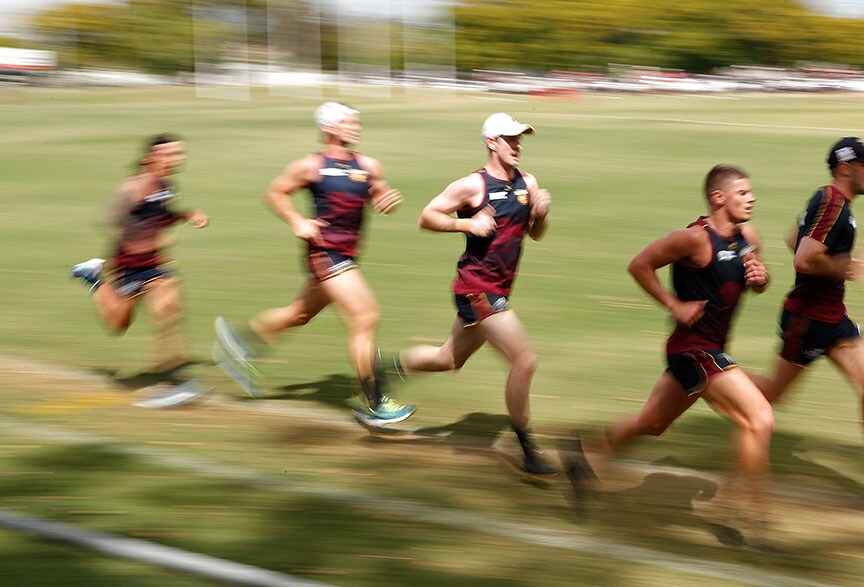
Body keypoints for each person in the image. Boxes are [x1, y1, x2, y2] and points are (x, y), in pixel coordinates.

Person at [563, 165, 774, 525]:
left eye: (751, 192)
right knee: (759, 419)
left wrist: (762, 279)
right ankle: (748, 515)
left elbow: (754, 273)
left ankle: (583, 456)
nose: (751, 198)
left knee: (653, 423)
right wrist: (673, 303)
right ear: (718, 198)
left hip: (707, 349)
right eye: (743, 193)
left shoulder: (747, 236)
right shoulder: (693, 239)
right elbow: (640, 264)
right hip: (694, 350)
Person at [750, 137, 864, 511]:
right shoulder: (832, 202)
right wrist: (843, 267)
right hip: (807, 319)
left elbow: (793, 238)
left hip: (833, 316)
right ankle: (705, 378)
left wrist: (833, 267)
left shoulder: (831, 202)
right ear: (845, 169)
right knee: (769, 396)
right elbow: (803, 259)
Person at [212, 101, 415, 426]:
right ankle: (372, 402)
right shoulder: (311, 166)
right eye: (350, 122)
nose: (356, 127)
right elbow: (275, 193)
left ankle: (239, 344)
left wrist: (385, 199)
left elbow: (378, 191)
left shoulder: (369, 165)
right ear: (330, 127)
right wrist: (296, 220)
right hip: (325, 254)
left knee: (300, 314)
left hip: (346, 255)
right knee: (365, 317)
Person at [386, 112, 557, 478]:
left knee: (448, 359)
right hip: (477, 289)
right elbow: (427, 216)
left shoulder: (528, 182)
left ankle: (380, 373)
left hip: (496, 287)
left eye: (520, 138)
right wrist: (466, 223)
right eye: (510, 139)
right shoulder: (472, 186)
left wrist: (541, 214)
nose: (518, 145)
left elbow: (536, 234)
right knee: (524, 361)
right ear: (491, 142)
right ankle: (527, 448)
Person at [70, 133, 209, 376]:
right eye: (170, 154)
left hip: (155, 263)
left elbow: (161, 215)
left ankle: (170, 377)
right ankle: (94, 277)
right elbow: (112, 216)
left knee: (168, 310)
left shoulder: (165, 186)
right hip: (129, 266)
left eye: (179, 153)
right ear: (152, 157)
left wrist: (186, 215)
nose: (176, 159)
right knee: (118, 324)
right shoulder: (136, 185)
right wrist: (142, 237)